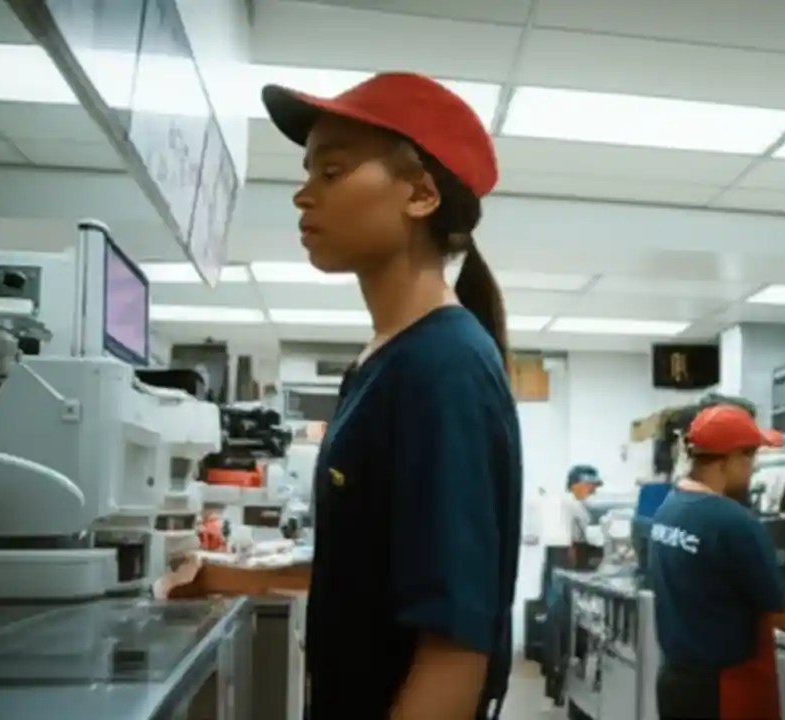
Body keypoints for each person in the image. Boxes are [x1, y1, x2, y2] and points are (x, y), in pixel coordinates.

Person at [260, 73, 522, 720]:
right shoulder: (382, 360)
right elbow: (367, 571)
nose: (303, 194)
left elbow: (454, 652)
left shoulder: (444, 368)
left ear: (421, 194)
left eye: (333, 170)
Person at [650, 404, 785, 720]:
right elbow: (782, 614)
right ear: (731, 458)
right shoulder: (732, 521)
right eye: (751, 457)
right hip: (728, 688)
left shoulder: (669, 509)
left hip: (676, 681)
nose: (752, 469)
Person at [562, 464, 603, 569]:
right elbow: (590, 536)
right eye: (590, 486)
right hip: (572, 554)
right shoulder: (573, 504)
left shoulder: (570, 501)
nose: (593, 491)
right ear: (577, 485)